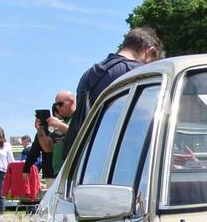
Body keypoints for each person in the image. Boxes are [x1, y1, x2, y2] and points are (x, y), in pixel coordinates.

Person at [61, 26, 164, 161]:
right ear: (150, 51)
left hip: (85, 163)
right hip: (118, 163)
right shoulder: (136, 72)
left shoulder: (90, 73)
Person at [33, 90, 76, 179]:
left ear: (71, 102)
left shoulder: (80, 117)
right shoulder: (62, 122)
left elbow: (81, 135)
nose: (57, 107)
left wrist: (60, 125)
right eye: (55, 104)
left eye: (60, 104)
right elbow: (47, 148)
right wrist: (40, 131)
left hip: (74, 171)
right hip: (58, 173)